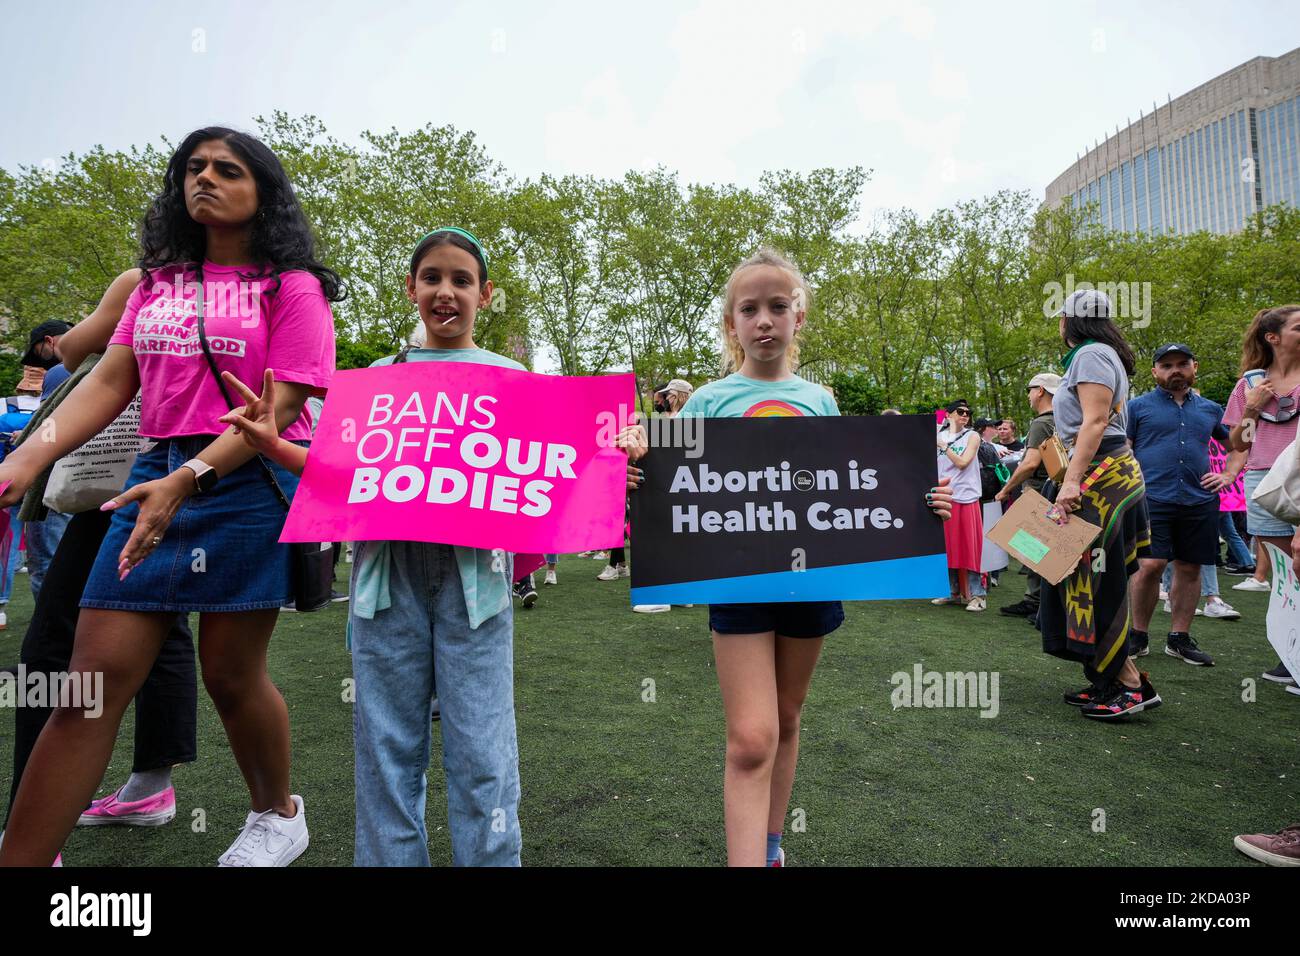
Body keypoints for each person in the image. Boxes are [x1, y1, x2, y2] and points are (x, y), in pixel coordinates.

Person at [0, 127, 340, 868]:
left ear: (264, 192)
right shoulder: (155, 284)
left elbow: (279, 410)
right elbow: (110, 382)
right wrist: (25, 459)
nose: (204, 179)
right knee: (87, 687)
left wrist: (190, 480)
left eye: (226, 169)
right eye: (193, 168)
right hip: (151, 473)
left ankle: (277, 815)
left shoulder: (294, 287)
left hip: (247, 482)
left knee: (229, 672)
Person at [625, 247, 953, 866]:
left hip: (813, 580)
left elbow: (859, 486)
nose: (764, 320)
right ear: (732, 325)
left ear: (798, 317)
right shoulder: (706, 403)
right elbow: (672, 482)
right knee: (752, 737)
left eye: (778, 306)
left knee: (787, 715)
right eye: (749, 309)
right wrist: (639, 468)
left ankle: (771, 846)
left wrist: (922, 504)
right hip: (737, 581)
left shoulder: (821, 401)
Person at [339, 226, 525, 866]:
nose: (446, 292)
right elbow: (340, 474)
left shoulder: (514, 377)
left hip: (479, 584)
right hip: (383, 582)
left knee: (483, 748)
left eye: (462, 280)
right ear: (412, 288)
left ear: (485, 294)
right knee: (386, 749)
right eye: (433, 278)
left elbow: (554, 470)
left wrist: (618, 450)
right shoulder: (373, 378)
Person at [5, 272, 199, 854]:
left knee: (50, 646)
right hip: (182, 473)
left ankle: (31, 826)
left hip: (122, 479)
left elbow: (73, 350)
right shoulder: (237, 285)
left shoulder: (145, 281)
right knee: (163, 629)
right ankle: (150, 785)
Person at [1039, 289, 1159, 720]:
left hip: (1099, 474)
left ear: (1070, 321)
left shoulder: (1091, 356)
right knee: (1081, 576)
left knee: (1097, 578)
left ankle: (1130, 684)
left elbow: (1094, 421)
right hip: (1105, 470)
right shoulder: (1103, 355)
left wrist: (1072, 481)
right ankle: (1105, 678)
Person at [1125, 344, 1227, 666]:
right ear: (1155, 371)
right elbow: (1123, 449)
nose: (1175, 370)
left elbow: (1238, 444)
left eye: (1182, 364)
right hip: (1151, 498)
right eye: (1166, 365)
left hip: (1200, 500)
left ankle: (1179, 639)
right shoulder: (1136, 407)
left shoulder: (1211, 409)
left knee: (1189, 567)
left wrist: (1229, 474)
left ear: (1195, 367)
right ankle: (1138, 635)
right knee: (1150, 566)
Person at [1224, 304, 1300, 686]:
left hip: (1299, 477)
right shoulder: (1249, 384)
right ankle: (1292, 656)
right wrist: (1253, 407)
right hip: (1264, 481)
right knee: (1286, 574)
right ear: (1273, 338)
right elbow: (1237, 442)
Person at [997, 372, 1060, 619]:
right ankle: (1041, 602)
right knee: (1049, 550)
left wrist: (1005, 490)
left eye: (1030, 389)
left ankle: (1038, 603)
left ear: (1041, 390)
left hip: (1039, 493)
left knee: (1035, 550)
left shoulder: (1042, 422)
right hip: (1058, 490)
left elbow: (1029, 463)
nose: (1028, 396)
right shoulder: (1066, 419)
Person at [21, 322, 75, 594]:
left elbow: (48, 428)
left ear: (49, 341)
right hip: (97, 483)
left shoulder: (57, 372)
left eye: (38, 352)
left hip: (54, 480)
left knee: (47, 565)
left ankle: (53, 633)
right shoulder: (106, 364)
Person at [934, 400, 985, 611]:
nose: (965, 415)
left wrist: (944, 447)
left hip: (966, 497)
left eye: (968, 412)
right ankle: (952, 592)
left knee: (970, 547)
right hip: (945, 496)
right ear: (949, 414)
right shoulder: (939, 435)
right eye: (960, 411)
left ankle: (978, 595)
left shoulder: (973, 435)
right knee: (948, 547)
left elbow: (963, 463)